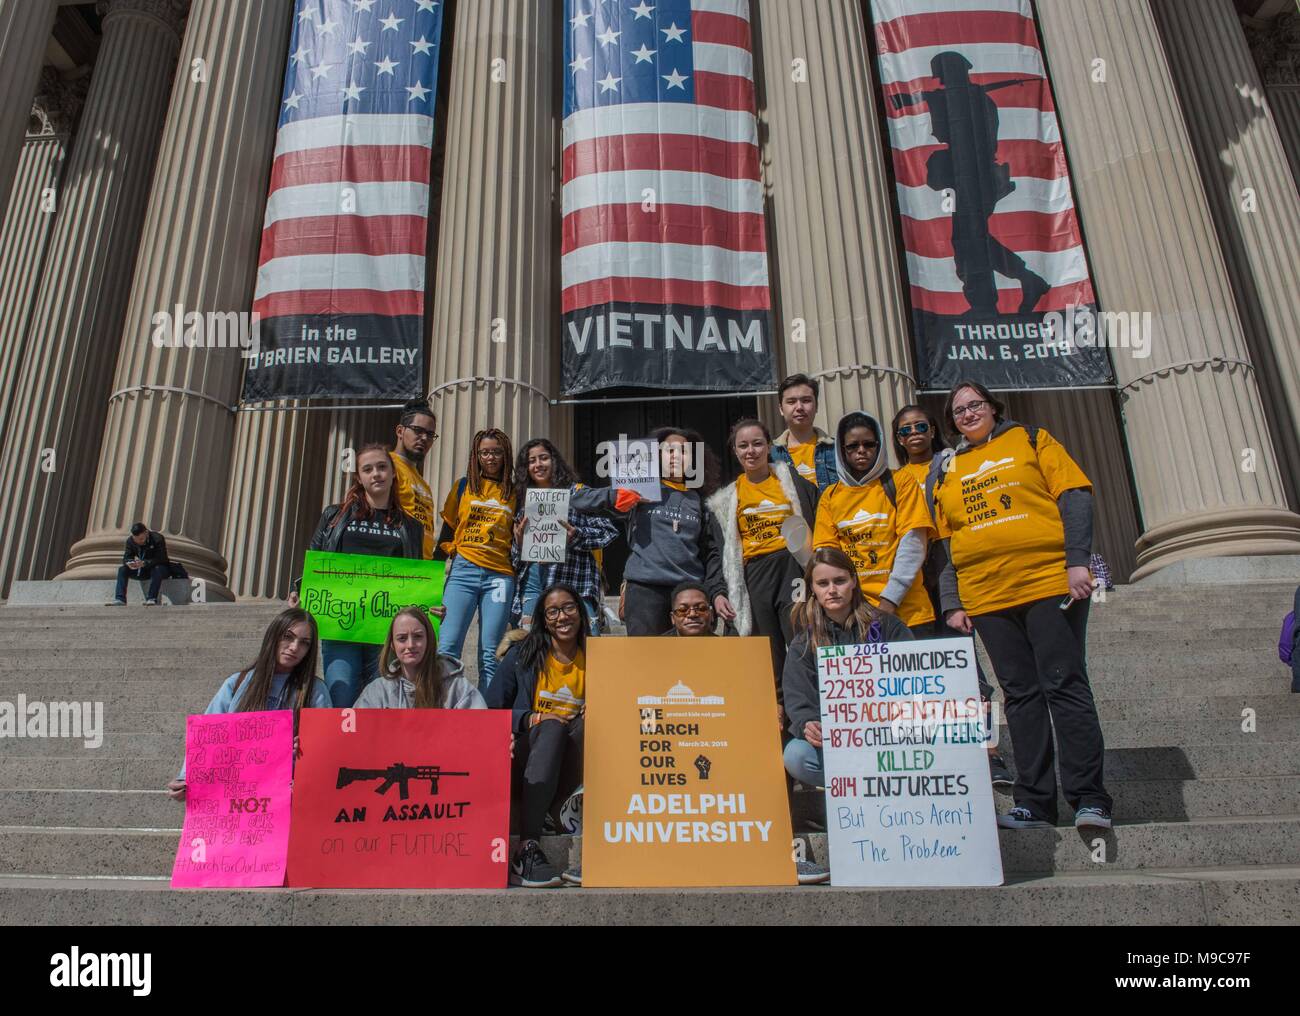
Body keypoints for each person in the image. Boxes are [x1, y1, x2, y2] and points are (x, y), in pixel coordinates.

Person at [931, 379, 1113, 830]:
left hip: (1047, 584)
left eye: (975, 405)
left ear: (993, 407)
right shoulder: (947, 465)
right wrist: (954, 601)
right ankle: (1035, 803)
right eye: (958, 411)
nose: (968, 414)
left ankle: (1089, 799)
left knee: (1064, 685)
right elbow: (946, 542)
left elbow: (1075, 495)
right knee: (1020, 697)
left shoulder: (1032, 439)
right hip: (987, 596)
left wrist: (1077, 563)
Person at [892, 404, 1013, 789]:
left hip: (949, 571)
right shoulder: (893, 479)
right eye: (904, 430)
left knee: (970, 674)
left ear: (933, 430)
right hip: (913, 582)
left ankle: (991, 755)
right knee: (927, 676)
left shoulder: (953, 463)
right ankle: (940, 752)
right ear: (896, 440)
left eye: (920, 426)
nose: (913, 434)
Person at [782, 548, 913, 884]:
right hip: (837, 749)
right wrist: (808, 724)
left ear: (854, 581)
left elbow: (915, 677)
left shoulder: (887, 627)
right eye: (823, 583)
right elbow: (798, 700)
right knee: (796, 754)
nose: (832, 590)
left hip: (890, 742)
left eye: (839, 580)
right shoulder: (804, 642)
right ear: (813, 588)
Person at [290, 443, 424, 708]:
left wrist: (428, 608)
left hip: (386, 632)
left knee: (382, 705)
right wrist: (300, 591)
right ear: (359, 478)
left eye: (382, 467)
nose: (376, 474)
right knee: (341, 698)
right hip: (341, 627)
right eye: (368, 469)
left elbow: (415, 580)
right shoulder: (335, 516)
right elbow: (316, 561)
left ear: (393, 473)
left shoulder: (410, 526)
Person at [707, 418, 818, 706]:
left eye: (757, 443)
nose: (751, 451)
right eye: (743, 445)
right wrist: (718, 590)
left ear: (769, 446)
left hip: (792, 569)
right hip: (754, 575)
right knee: (767, 651)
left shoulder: (794, 483)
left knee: (800, 641)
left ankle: (807, 708)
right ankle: (776, 711)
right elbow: (720, 552)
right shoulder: (726, 499)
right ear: (735, 451)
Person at [165, 608, 329, 801]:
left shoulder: (315, 690)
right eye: (288, 637)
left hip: (285, 801)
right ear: (273, 636)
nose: (294, 647)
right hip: (234, 798)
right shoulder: (236, 683)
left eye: (304, 643)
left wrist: (306, 749)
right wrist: (186, 779)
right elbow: (207, 736)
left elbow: (327, 750)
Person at [572, 427, 722, 637]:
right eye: (669, 450)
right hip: (645, 591)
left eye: (683, 451)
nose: (676, 456)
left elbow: (709, 550)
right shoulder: (640, 491)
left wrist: (714, 591)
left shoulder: (701, 499)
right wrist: (615, 495)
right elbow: (578, 500)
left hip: (688, 592)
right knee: (646, 662)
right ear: (656, 456)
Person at [489, 584, 588, 888]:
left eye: (569, 607)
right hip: (528, 757)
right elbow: (489, 709)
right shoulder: (523, 655)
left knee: (592, 723)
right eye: (553, 611)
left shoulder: (599, 657)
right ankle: (528, 847)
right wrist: (532, 718)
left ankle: (595, 842)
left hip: (573, 763)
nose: (562, 616)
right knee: (553, 726)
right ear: (544, 620)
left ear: (580, 612)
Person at [814, 411, 934, 628]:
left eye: (869, 444)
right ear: (842, 450)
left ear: (879, 446)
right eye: (852, 446)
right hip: (855, 617)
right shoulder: (830, 496)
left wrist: (888, 602)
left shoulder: (900, 481)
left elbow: (914, 544)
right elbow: (827, 558)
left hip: (909, 614)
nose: (861, 451)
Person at [436, 428, 518, 693]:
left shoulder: (515, 491)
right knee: (447, 648)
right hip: (463, 571)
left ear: (505, 455)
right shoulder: (463, 486)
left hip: (500, 577)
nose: (491, 457)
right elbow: (446, 532)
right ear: (476, 455)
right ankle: (442, 709)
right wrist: (433, 577)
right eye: (485, 452)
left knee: (491, 653)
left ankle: (487, 719)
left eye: (496, 452)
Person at [510, 438, 619, 634]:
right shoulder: (522, 501)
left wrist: (576, 536)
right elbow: (515, 559)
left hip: (575, 582)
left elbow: (608, 531)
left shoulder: (576, 493)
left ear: (554, 461)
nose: (538, 465)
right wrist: (518, 544)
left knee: (586, 646)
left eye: (543, 458)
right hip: (534, 582)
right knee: (532, 646)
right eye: (531, 461)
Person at [354, 607, 484, 710]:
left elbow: (480, 729)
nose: (410, 645)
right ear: (392, 645)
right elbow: (357, 736)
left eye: (418, 636)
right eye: (402, 638)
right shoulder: (377, 691)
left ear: (429, 639)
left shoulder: (457, 688)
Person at [770, 373, 838, 490]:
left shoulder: (837, 449)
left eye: (806, 400)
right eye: (791, 402)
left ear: (816, 406)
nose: (799, 407)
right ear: (781, 409)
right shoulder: (770, 454)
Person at [390, 399, 439, 559]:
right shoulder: (386, 466)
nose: (424, 438)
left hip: (420, 568)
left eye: (430, 434)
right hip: (395, 562)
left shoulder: (423, 484)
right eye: (418, 430)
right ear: (400, 431)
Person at [110, 523, 189, 606]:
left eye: (141, 539)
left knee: (157, 569)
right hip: (143, 570)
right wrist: (130, 563)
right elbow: (126, 557)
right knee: (122, 569)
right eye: (136, 540)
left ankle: (152, 598)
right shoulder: (130, 541)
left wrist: (145, 563)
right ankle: (120, 599)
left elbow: (162, 558)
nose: (139, 542)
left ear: (146, 533)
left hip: (160, 569)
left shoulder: (157, 538)